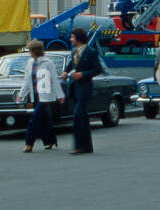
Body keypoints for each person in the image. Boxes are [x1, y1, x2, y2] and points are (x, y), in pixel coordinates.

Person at [14, 39, 62, 152]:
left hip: (45, 95)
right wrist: (22, 94)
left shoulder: (47, 63)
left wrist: (59, 95)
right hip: (35, 95)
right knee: (44, 119)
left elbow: (54, 80)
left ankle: (29, 144)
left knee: (34, 119)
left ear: (35, 51)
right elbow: (27, 80)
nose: (29, 52)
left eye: (30, 50)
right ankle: (50, 141)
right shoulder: (30, 63)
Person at [66, 26, 103, 155]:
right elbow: (72, 63)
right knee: (82, 117)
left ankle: (79, 146)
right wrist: (65, 71)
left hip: (85, 87)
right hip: (75, 87)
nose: (70, 39)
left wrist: (83, 74)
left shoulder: (91, 52)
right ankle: (87, 146)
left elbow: (97, 69)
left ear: (78, 38)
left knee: (78, 115)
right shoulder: (74, 51)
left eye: (72, 37)